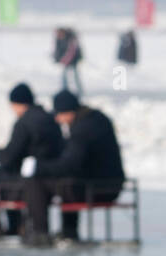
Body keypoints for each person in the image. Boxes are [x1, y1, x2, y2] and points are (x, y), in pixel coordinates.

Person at [24, 90, 125, 245]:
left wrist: (39, 167)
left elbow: (69, 164)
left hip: (97, 189)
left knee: (39, 182)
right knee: (68, 181)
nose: (57, 119)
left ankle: (40, 232)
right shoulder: (97, 118)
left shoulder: (81, 129)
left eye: (59, 114)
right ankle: (68, 230)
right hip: (112, 185)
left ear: (68, 111)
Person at [0, 83, 64, 240]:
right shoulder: (50, 118)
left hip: (27, 182)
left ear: (17, 103)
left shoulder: (24, 123)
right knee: (7, 171)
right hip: (46, 178)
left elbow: (9, 157)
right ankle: (16, 224)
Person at [54, 27, 84, 96]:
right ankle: (65, 91)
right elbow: (57, 50)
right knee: (64, 76)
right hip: (65, 61)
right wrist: (58, 58)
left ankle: (80, 91)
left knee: (75, 76)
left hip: (73, 60)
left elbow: (72, 51)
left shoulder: (70, 39)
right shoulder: (58, 39)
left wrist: (65, 60)